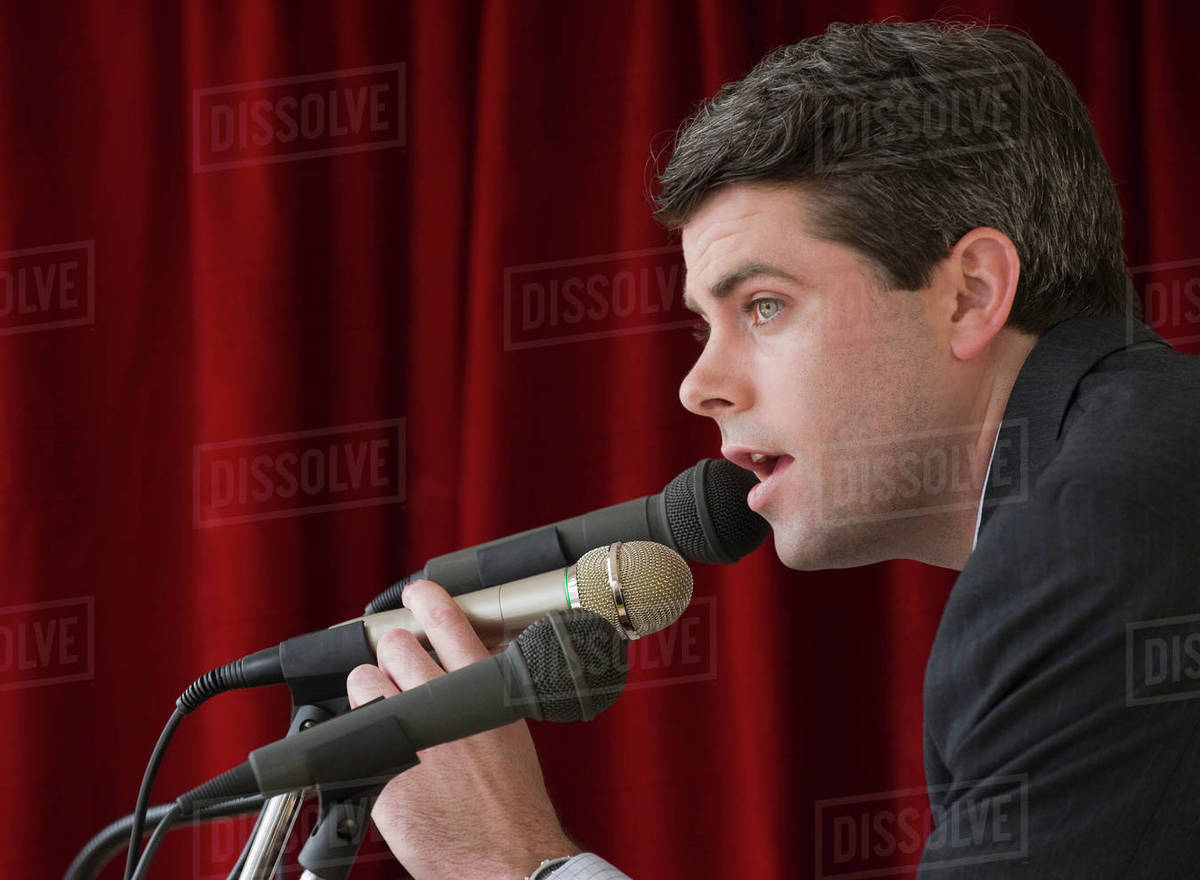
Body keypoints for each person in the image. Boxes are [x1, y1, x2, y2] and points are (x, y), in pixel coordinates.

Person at [346, 19, 1200, 879]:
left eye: (763, 305)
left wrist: (507, 861)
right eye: (703, 323)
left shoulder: (1086, 550)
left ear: (971, 293)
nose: (696, 387)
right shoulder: (1123, 473)